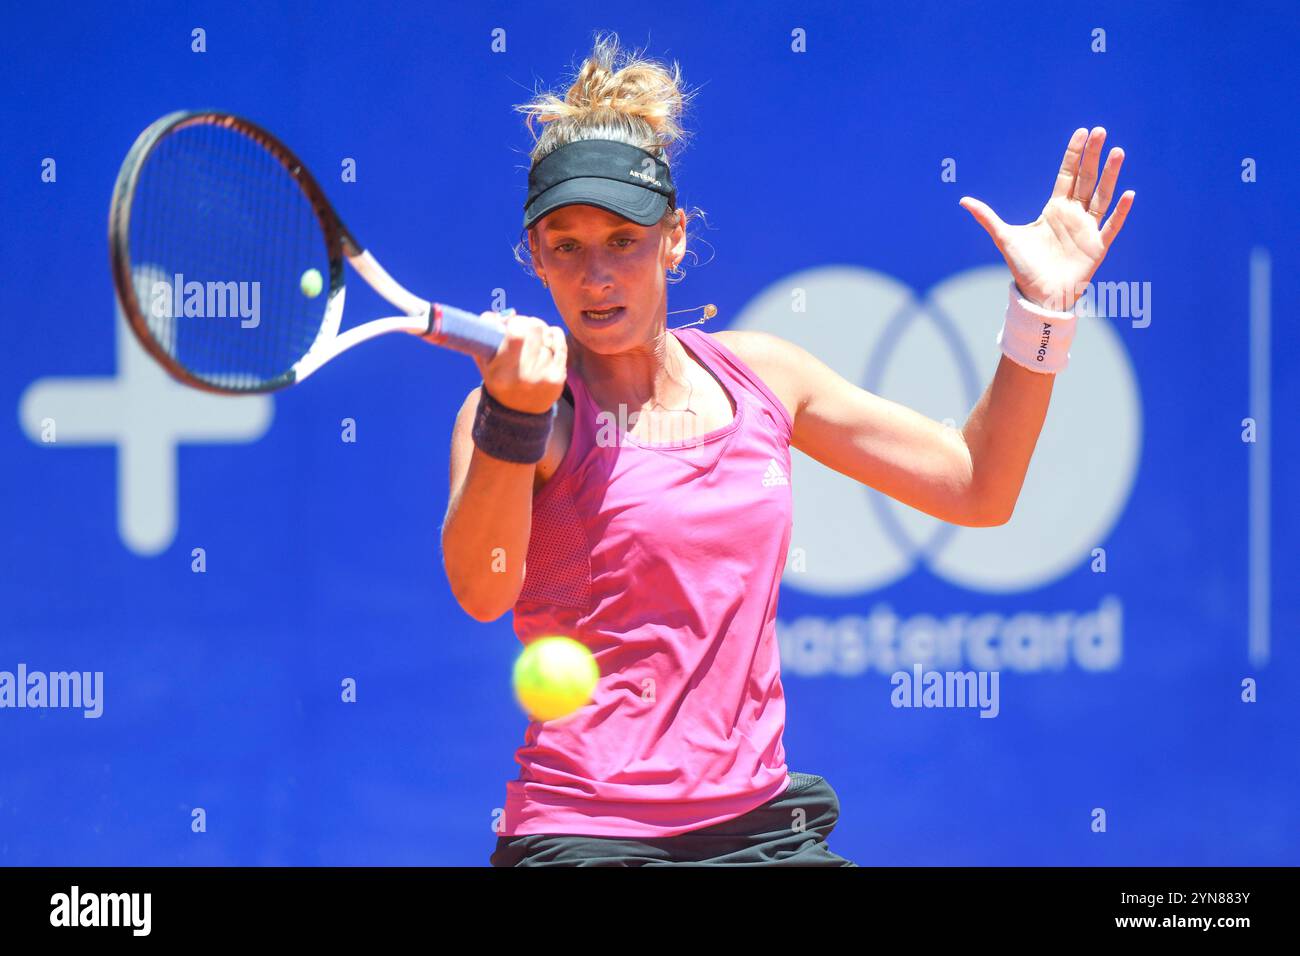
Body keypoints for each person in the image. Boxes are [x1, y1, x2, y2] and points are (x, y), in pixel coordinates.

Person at [440, 32, 1134, 867]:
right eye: (567, 246)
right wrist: (511, 420)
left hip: (761, 829)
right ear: (537, 261)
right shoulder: (520, 411)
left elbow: (977, 487)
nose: (596, 275)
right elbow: (483, 590)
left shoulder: (766, 375)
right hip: (589, 834)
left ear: (675, 239)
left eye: (624, 240)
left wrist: (1039, 314)